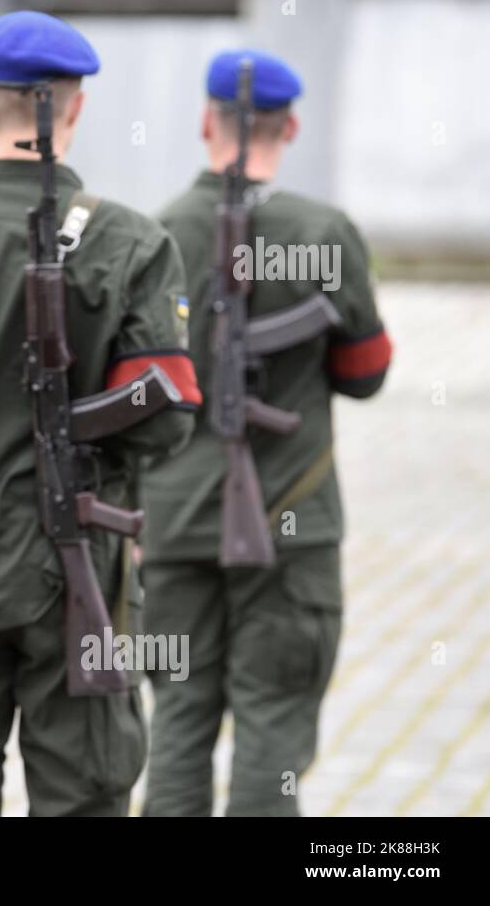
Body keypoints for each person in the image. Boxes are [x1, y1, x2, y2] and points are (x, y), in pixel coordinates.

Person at [0, 11, 200, 817]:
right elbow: (167, 419)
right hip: (79, 585)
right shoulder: (130, 240)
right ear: (77, 106)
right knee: (86, 797)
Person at [138, 49, 392, 816]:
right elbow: (367, 370)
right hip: (293, 527)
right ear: (293, 126)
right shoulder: (323, 231)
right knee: (273, 729)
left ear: (205, 122)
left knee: (179, 719)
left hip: (173, 526)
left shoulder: (151, 237)